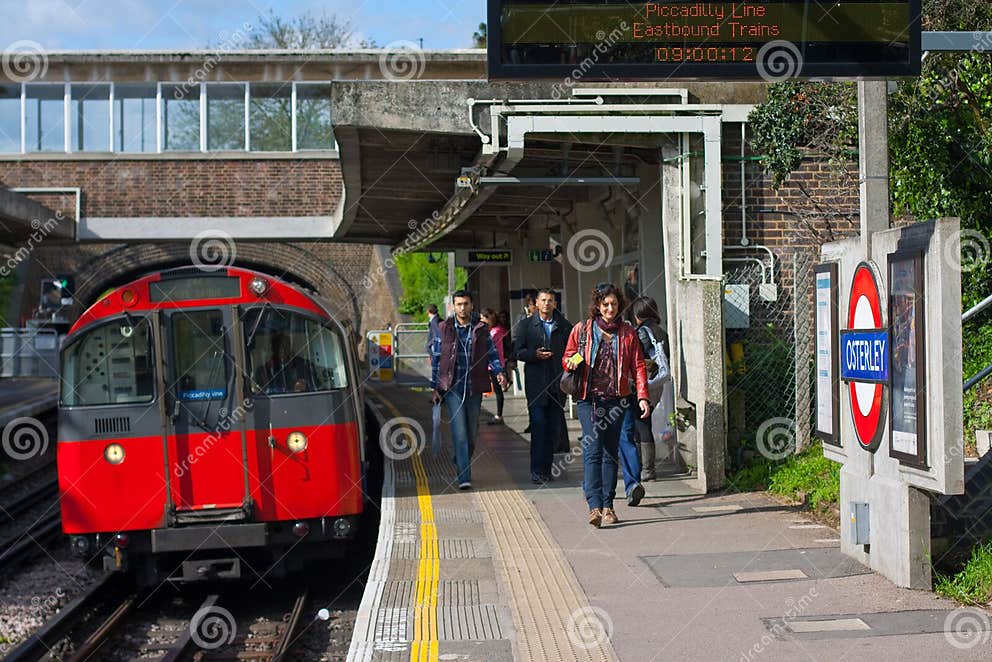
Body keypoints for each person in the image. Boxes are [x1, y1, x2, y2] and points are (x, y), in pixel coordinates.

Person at [562, 283, 650, 528]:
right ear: (597, 306)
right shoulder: (582, 330)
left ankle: (608, 505)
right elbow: (567, 356)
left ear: (619, 305)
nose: (610, 308)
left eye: (614, 304)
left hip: (617, 400)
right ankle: (594, 506)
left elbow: (638, 366)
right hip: (588, 399)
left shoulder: (628, 333)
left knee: (611, 452)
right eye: (605, 304)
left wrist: (642, 396)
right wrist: (571, 362)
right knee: (593, 449)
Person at [432, 290, 508, 490]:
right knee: (460, 433)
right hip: (453, 388)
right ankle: (464, 476)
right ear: (453, 307)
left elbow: (492, 354)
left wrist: (499, 372)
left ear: (472, 305)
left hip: (475, 386)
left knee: (472, 433)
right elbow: (437, 359)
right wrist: (435, 388)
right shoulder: (445, 328)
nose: (462, 308)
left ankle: (461, 457)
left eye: (466, 304)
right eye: (458, 304)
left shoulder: (481, 329)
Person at [513, 288, 573, 483]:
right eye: (543, 300)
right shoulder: (526, 326)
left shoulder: (564, 326)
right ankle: (537, 471)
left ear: (555, 303)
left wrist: (572, 363)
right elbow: (518, 352)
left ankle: (546, 470)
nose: (547, 304)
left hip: (558, 385)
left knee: (552, 430)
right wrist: (534, 355)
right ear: (536, 304)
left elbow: (576, 351)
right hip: (536, 386)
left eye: (550, 300)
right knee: (539, 427)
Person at [627, 296, 671, 483]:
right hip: (657, 386)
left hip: (643, 384)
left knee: (640, 425)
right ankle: (647, 468)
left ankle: (646, 469)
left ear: (638, 314)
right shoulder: (661, 332)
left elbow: (640, 360)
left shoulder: (642, 333)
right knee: (645, 423)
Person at [481, 308, 509, 425]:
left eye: (483, 318)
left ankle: (499, 415)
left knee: (498, 390)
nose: (481, 321)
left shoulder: (494, 333)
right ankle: (498, 414)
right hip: (493, 364)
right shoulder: (497, 331)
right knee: (496, 389)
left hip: (495, 365)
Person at [425, 303, 441, 368]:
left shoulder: (434, 322)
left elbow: (437, 336)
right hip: (435, 349)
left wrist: (429, 345)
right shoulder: (437, 319)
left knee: (436, 370)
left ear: (428, 311)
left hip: (435, 350)